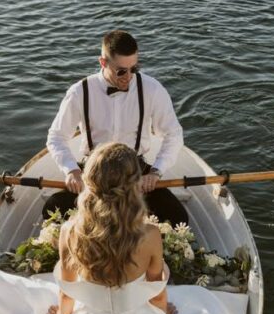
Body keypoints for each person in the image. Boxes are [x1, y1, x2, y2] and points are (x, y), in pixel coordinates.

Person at [0, 143, 248, 314]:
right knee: (211, 306)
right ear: (134, 185)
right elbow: (156, 290)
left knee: (7, 290)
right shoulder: (150, 234)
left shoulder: (70, 231)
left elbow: (67, 290)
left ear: (89, 182)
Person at [43, 30, 189, 226]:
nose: (128, 77)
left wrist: (155, 172)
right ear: (103, 62)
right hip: (92, 173)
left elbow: (173, 134)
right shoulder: (80, 92)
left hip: (135, 173)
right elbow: (56, 137)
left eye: (134, 68)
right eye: (121, 70)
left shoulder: (152, 89)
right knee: (51, 211)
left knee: (177, 217)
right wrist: (72, 171)